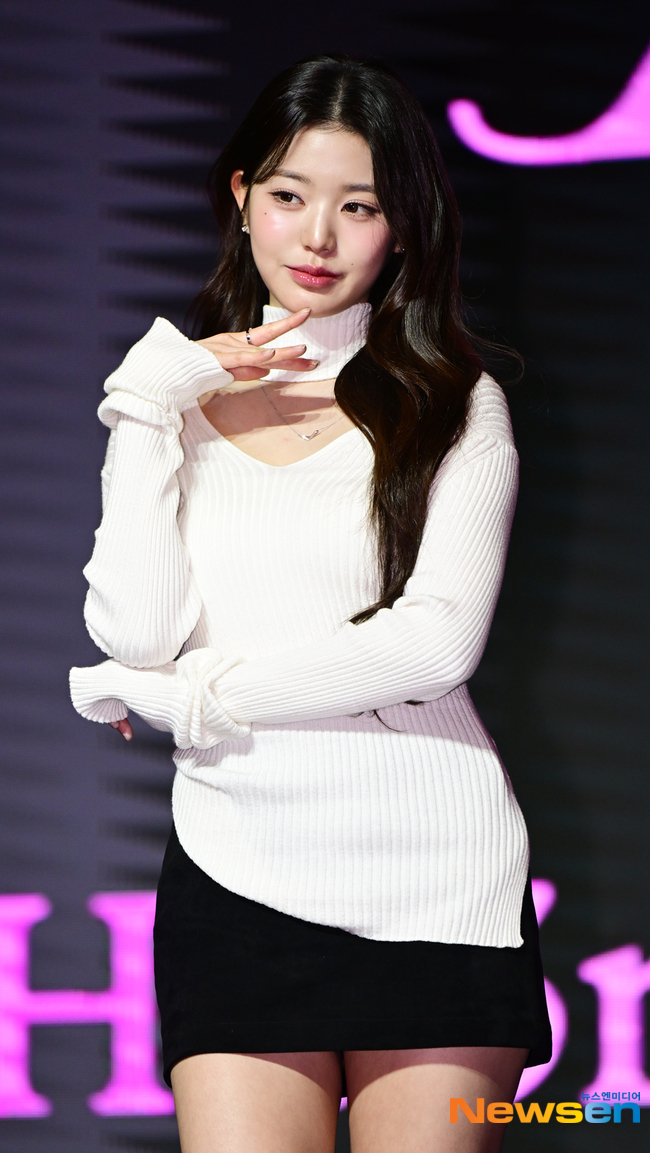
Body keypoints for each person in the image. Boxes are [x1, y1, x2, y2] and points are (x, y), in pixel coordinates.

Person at [70, 55, 551, 1153]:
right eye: (289, 195)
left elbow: (434, 645)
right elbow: (134, 634)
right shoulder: (170, 401)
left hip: (435, 875)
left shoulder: (453, 402)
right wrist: (145, 405)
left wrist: (194, 696)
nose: (318, 237)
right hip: (235, 865)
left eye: (360, 206)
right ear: (242, 197)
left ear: (403, 227)